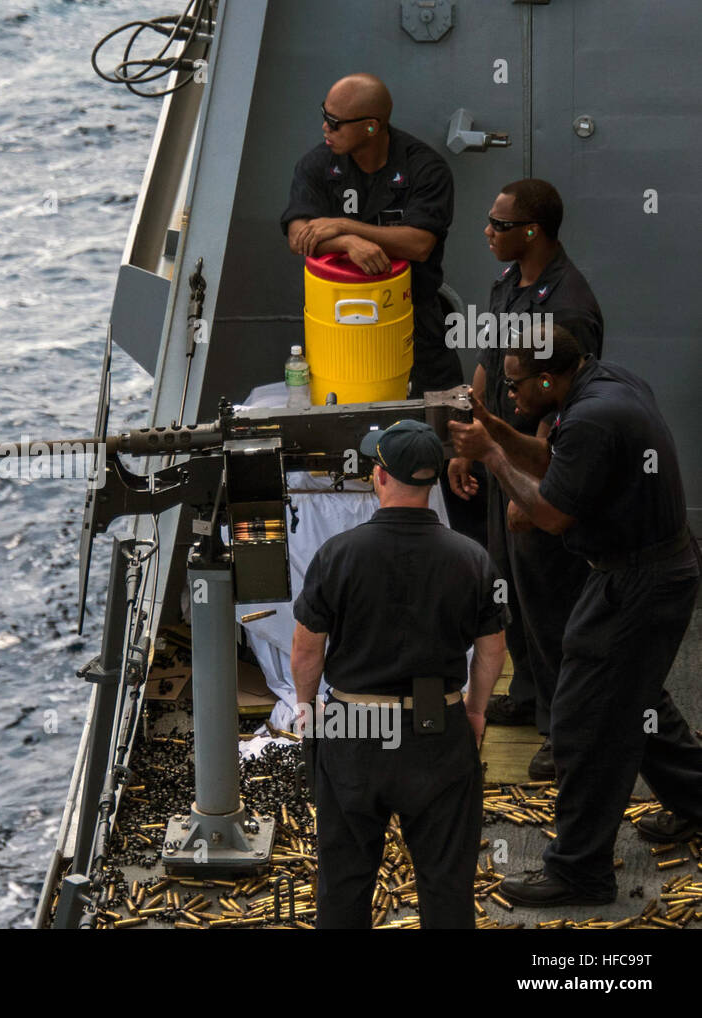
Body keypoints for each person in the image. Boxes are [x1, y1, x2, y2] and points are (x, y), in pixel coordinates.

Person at [449, 326, 702, 906]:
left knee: (587, 719)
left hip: (641, 580)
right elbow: (555, 459)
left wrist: (490, 455)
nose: (510, 393)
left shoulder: (592, 415)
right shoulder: (597, 387)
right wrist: (497, 430)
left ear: (547, 377)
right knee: (632, 697)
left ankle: (581, 870)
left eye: (515, 386)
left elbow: (550, 512)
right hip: (637, 571)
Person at [291, 420, 506, 928]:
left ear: (380, 477)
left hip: (353, 727)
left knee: (344, 882)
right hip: (437, 728)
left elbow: (305, 651)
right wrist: (474, 710)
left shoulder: (337, 554)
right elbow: (492, 650)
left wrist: (308, 709)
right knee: (446, 884)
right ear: (431, 482)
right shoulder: (472, 558)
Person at [446, 179, 604, 780]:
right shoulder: (509, 283)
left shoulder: (570, 309)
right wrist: (468, 435)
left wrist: (533, 493)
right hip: (500, 453)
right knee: (510, 587)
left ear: (531, 231)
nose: (487, 231)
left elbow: (564, 407)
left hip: (537, 468)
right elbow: (489, 359)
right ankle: (533, 693)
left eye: (498, 223)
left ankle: (564, 731)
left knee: (552, 605)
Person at [281, 73, 462, 398]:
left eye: (335, 122)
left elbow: (419, 245)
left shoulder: (426, 170)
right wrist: (348, 244)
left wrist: (346, 226)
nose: (326, 128)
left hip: (414, 322)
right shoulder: (317, 166)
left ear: (371, 127)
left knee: (440, 428)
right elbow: (298, 235)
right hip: (339, 328)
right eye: (324, 116)